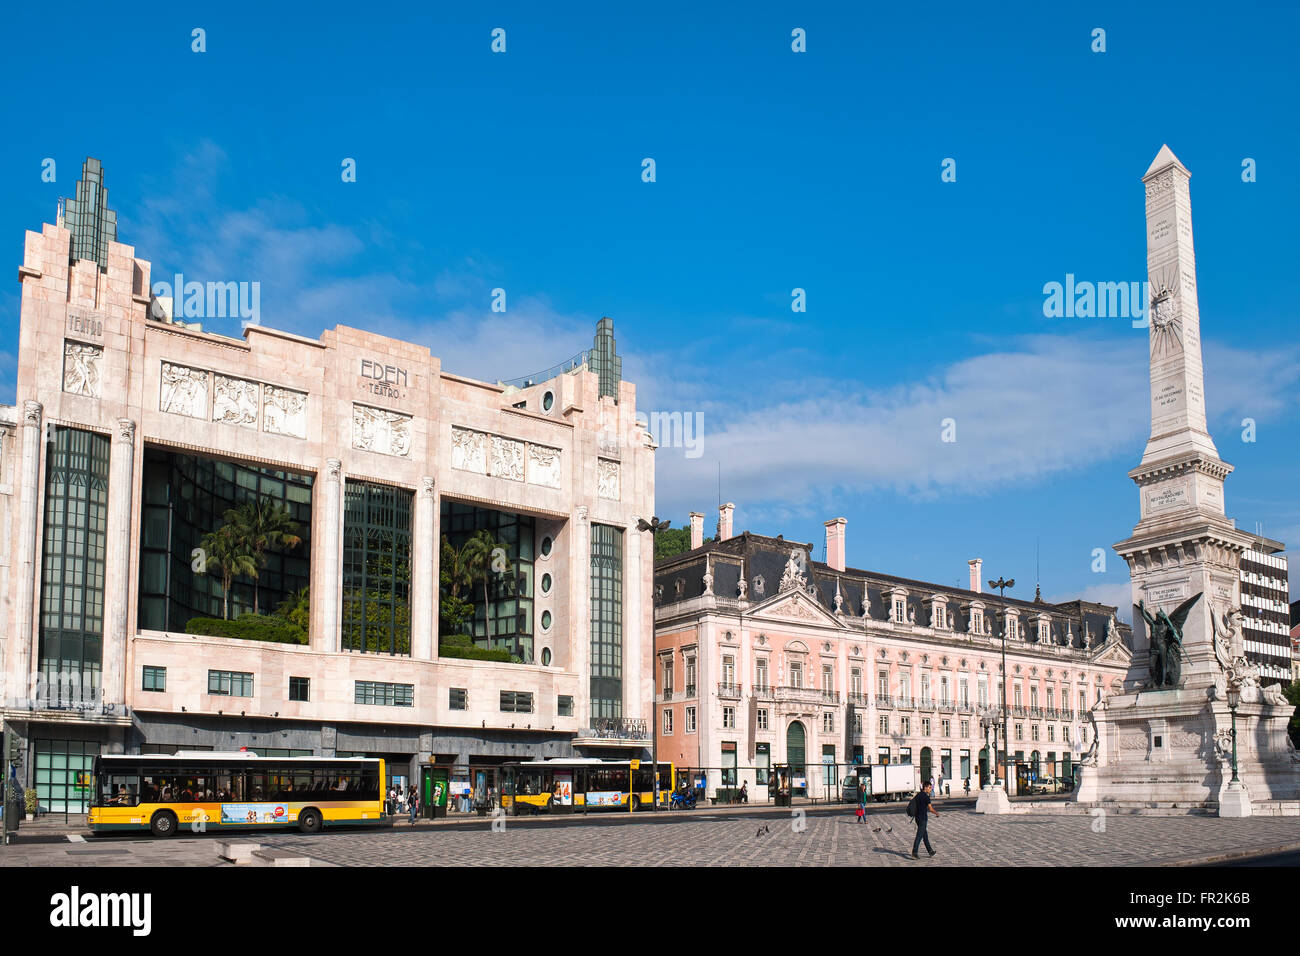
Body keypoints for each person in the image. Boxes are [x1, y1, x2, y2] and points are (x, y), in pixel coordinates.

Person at [911, 780, 938, 859]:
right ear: (925, 787)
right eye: (929, 787)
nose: (930, 789)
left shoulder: (918, 795)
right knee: (919, 836)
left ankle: (930, 851)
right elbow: (930, 809)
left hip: (917, 818)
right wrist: (937, 813)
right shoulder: (926, 797)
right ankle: (914, 852)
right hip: (923, 819)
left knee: (924, 835)